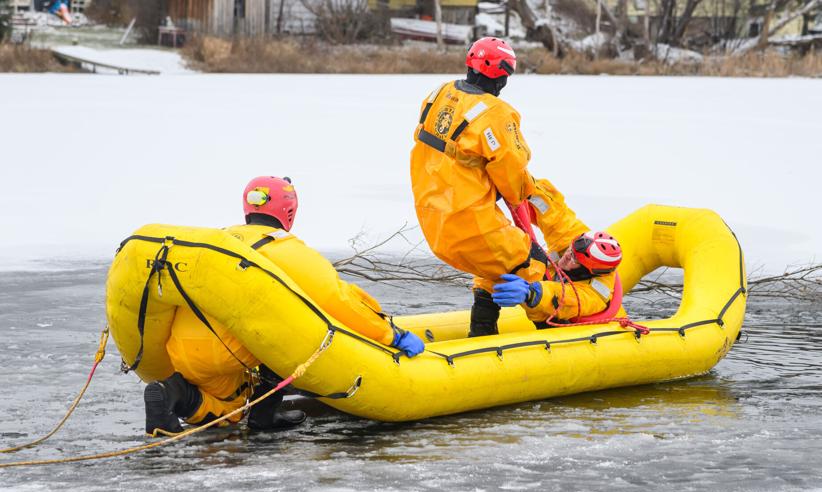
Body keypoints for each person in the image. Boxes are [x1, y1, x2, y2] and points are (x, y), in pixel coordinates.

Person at [144, 176, 425, 436]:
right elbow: (338, 299)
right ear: (289, 209)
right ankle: (264, 415)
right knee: (289, 326)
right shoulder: (284, 249)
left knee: (227, 409)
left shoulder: (217, 240)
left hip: (182, 348)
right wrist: (389, 333)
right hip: (228, 350)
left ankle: (171, 392)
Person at [410, 39, 587, 336]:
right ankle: (557, 338)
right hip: (472, 225)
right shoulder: (497, 114)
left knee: (494, 267)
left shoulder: (439, 93)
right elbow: (513, 179)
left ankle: (482, 334)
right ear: (502, 75)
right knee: (536, 268)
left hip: (435, 223)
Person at [491, 231, 623, 326]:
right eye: (571, 251)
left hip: (566, 323)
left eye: (575, 260)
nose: (567, 256)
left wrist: (532, 293)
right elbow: (555, 215)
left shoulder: (595, 295)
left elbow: (567, 299)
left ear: (586, 272)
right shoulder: (573, 248)